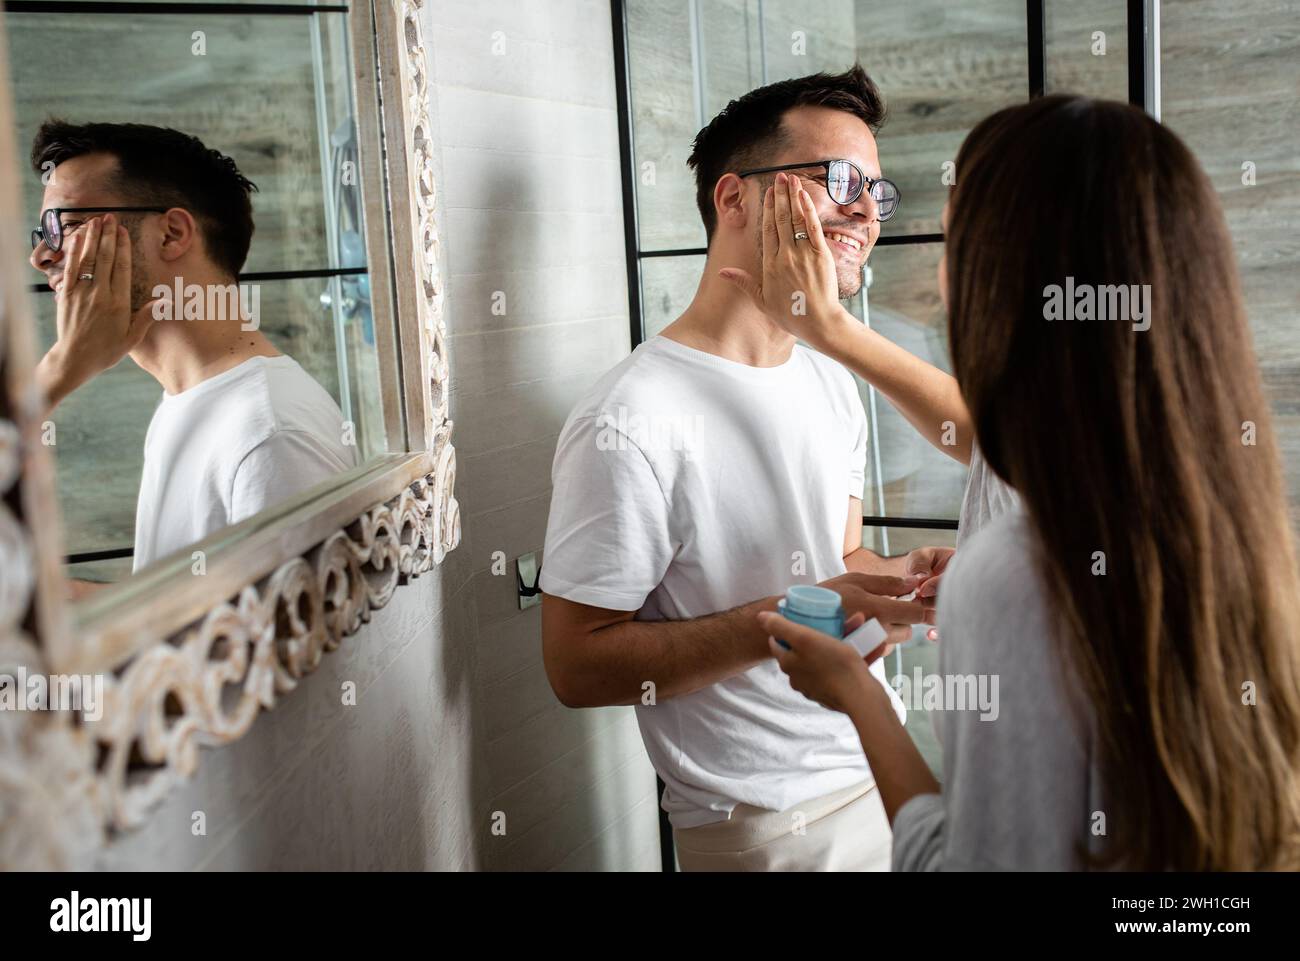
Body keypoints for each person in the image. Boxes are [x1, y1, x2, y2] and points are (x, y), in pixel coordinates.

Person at [756, 94, 1300, 870]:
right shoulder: (1216, 513)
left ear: (1002, 278)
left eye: (957, 235)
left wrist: (858, 695)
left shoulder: (1023, 572)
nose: (869, 219)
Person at [539, 66, 950, 871]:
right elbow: (576, 665)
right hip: (765, 825)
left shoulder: (830, 378)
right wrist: (791, 614)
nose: (866, 209)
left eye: (876, 190)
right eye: (838, 180)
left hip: (883, 772)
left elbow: (837, 563)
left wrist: (895, 581)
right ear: (736, 201)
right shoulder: (629, 414)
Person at [29, 120, 358, 572]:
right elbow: (195, 613)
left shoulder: (270, 437)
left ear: (171, 234)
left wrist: (58, 370)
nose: (42, 256)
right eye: (41, 235)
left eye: (64, 226)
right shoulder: (189, 402)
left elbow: (290, 639)